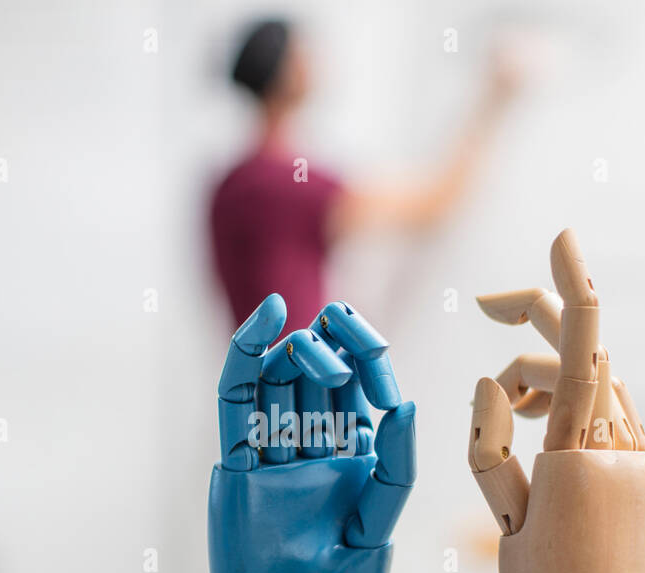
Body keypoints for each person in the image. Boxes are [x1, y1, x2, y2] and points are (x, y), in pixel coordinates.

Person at [209, 18, 522, 337]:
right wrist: (496, 99)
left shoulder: (229, 187)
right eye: (305, 52)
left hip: (260, 378)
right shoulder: (289, 184)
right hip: (303, 377)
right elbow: (433, 206)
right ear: (288, 71)